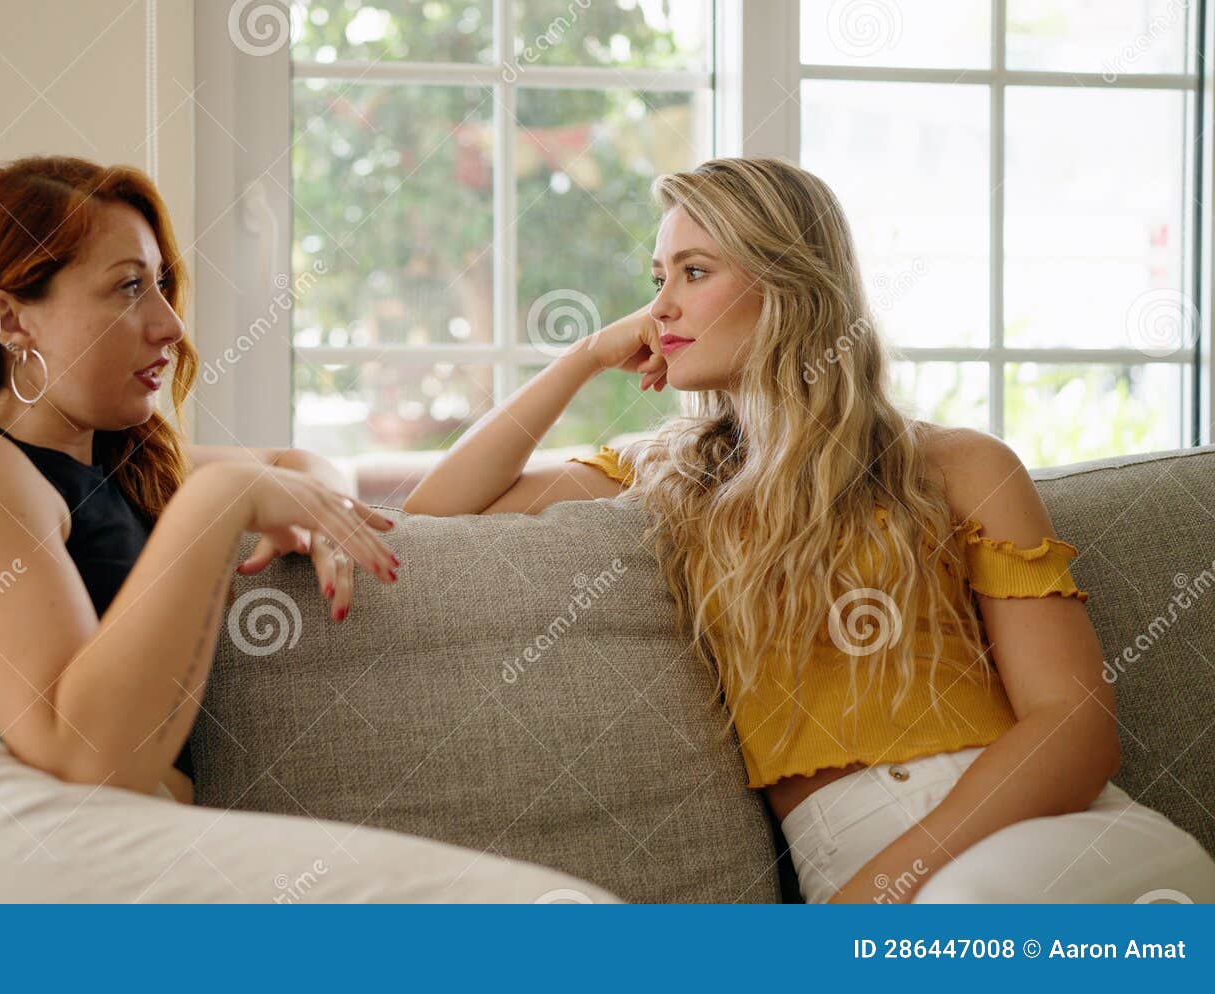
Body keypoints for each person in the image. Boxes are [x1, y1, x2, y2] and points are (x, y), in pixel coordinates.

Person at [0, 155, 618, 904]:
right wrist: (224, 503)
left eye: (162, 286)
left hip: (80, 856)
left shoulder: (118, 470)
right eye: (126, 287)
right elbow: (84, 758)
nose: (171, 327)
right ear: (9, 318)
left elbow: (295, 459)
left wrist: (313, 513)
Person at [404, 156, 1215, 904]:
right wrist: (581, 356)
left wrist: (890, 886)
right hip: (865, 869)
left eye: (694, 273)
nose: (660, 309)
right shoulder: (667, 472)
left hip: (1041, 846)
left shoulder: (959, 465)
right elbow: (432, 516)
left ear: (788, 285)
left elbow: (1073, 729)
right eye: (657, 278)